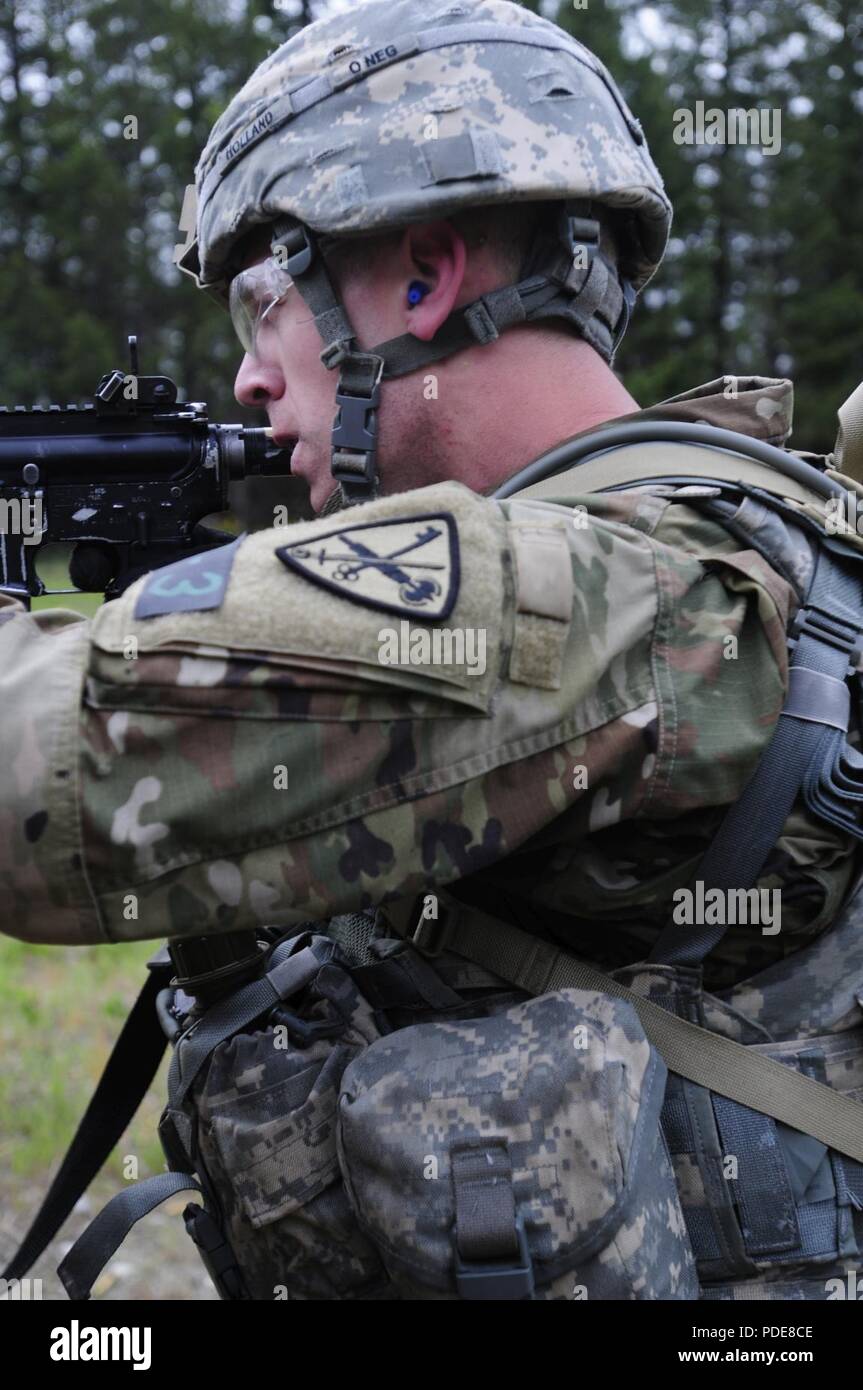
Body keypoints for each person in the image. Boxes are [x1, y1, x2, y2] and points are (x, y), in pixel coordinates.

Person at [3, 0, 863, 1302]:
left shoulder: (577, 592)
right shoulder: (759, 524)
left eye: (261, 303)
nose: (247, 377)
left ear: (423, 277)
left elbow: (37, 784)